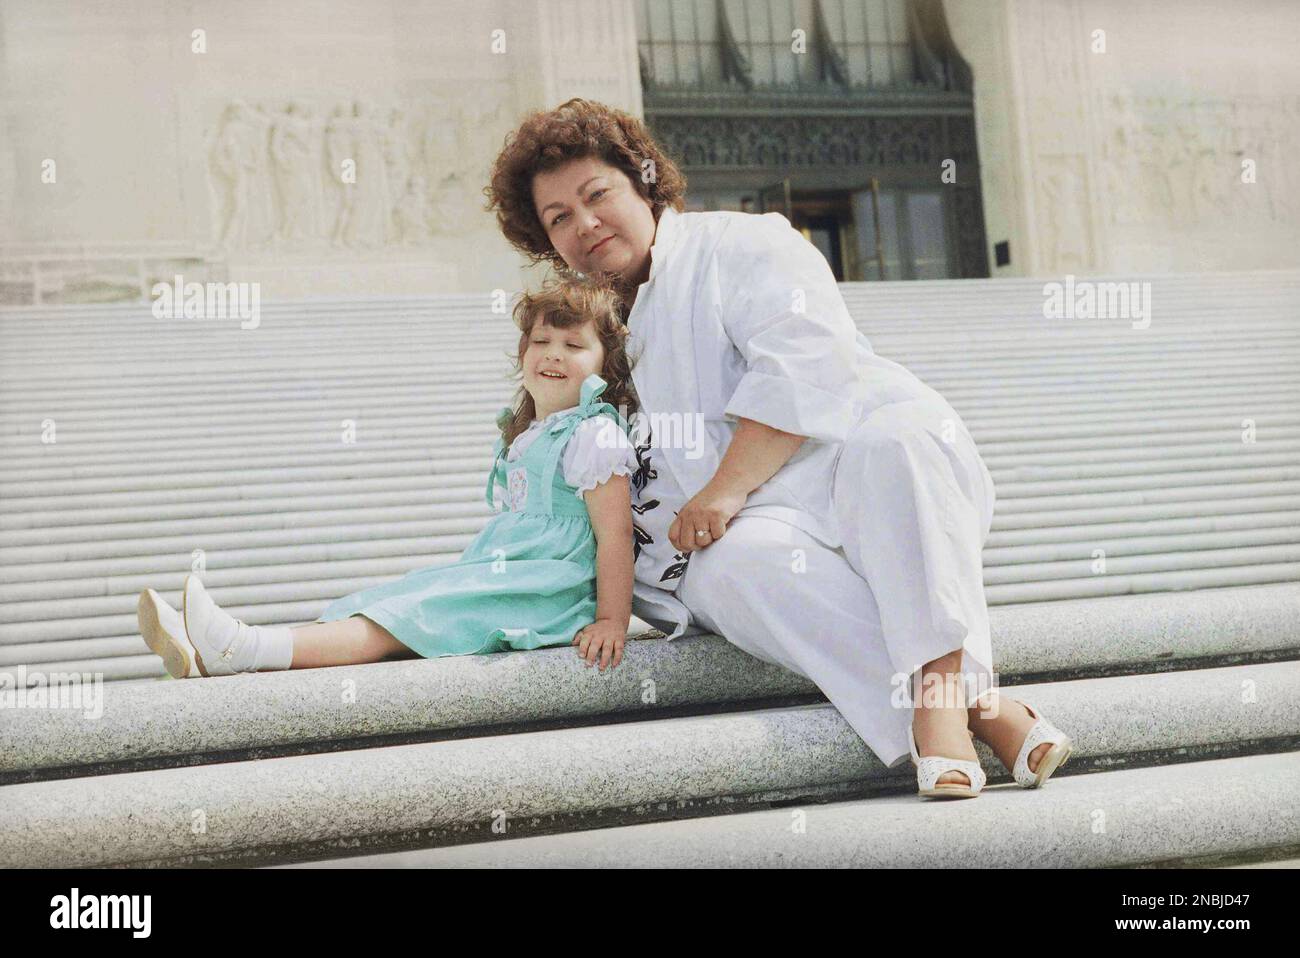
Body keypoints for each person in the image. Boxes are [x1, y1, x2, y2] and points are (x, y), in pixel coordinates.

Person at [484, 97, 1074, 798]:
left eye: (596, 195)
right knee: (733, 567)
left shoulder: (743, 244)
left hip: (841, 464)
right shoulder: (599, 330)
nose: (584, 224)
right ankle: (984, 708)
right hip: (751, 525)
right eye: (559, 218)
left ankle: (943, 695)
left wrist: (726, 489)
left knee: (900, 444)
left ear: (643, 181)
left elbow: (806, 364)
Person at [137, 277, 642, 678]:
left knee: (413, 615)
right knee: (392, 602)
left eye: (574, 344)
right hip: (511, 573)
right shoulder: (534, 431)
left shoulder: (593, 436)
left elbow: (614, 535)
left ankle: (241, 647)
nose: (554, 353)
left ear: (605, 366)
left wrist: (611, 621)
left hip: (547, 592)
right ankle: (213, 644)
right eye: (541, 340)